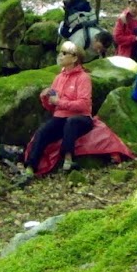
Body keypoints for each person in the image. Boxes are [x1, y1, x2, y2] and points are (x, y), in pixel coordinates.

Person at [22, 42, 94, 176]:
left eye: (64, 53)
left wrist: (59, 102)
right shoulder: (59, 78)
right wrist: (45, 98)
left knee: (71, 122)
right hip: (60, 117)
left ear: (74, 58)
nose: (60, 56)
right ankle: (30, 167)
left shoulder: (83, 78)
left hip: (81, 118)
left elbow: (84, 104)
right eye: (60, 52)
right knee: (43, 131)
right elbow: (52, 107)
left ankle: (68, 160)